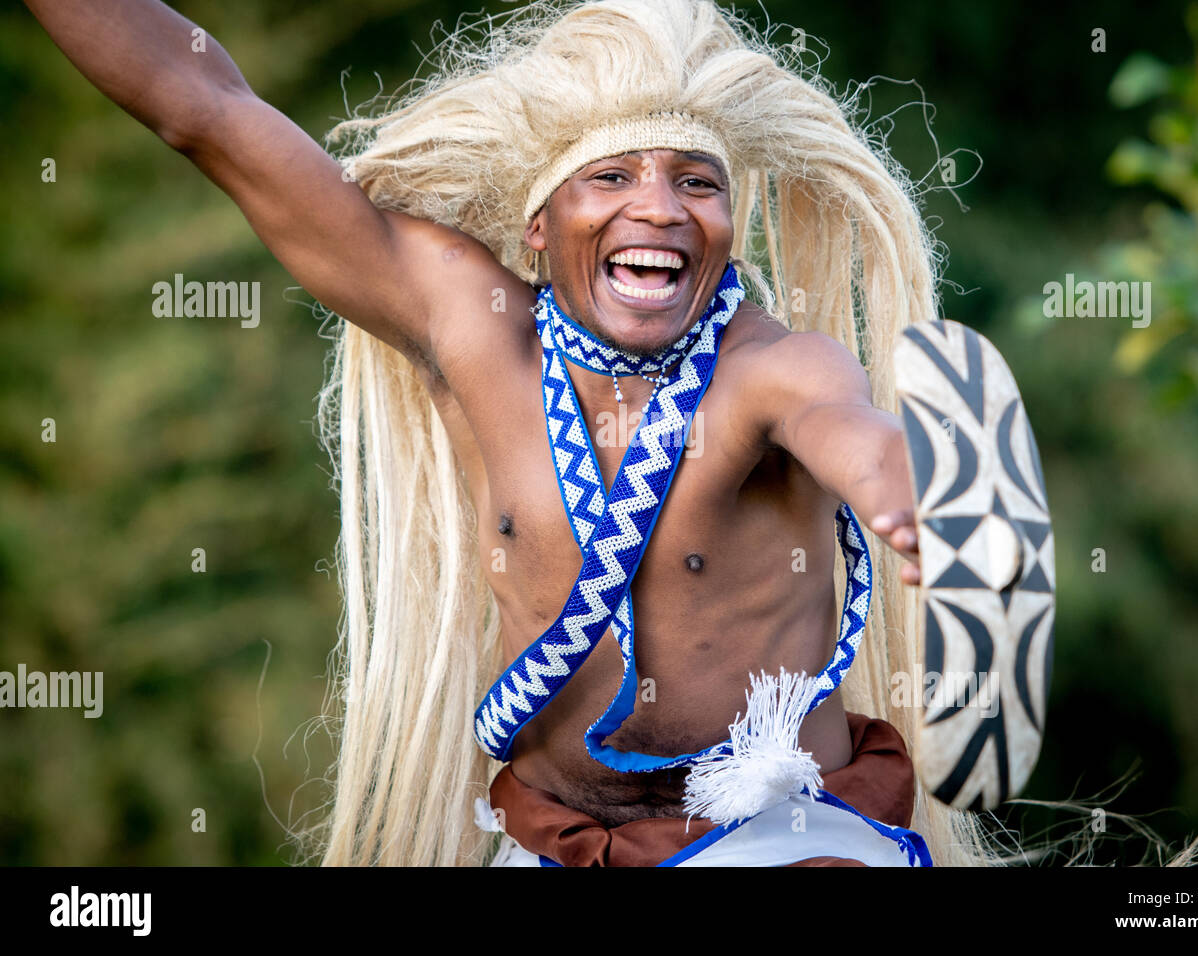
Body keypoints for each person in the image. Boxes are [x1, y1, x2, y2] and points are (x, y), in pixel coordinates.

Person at [24, 0, 1004, 865]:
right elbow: (207, 112)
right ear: (539, 224)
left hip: (778, 836)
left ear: (729, 226)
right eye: (612, 175)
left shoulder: (772, 366)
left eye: (697, 183)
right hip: (556, 837)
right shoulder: (479, 337)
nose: (658, 206)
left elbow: (851, 427)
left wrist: (909, 489)